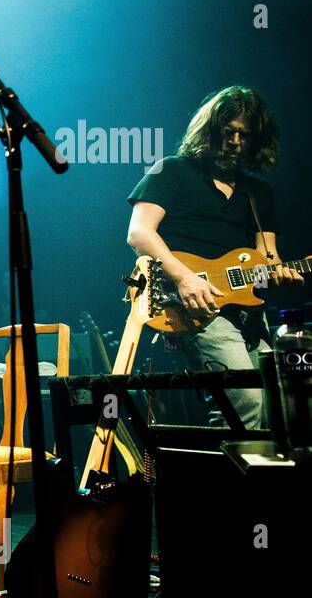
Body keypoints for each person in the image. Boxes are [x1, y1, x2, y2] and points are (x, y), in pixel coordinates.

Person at [127, 85, 302, 428]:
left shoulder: (258, 193)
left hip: (249, 312)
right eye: (228, 132)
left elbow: (268, 259)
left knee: (276, 410)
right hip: (192, 304)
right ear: (210, 130)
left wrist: (280, 273)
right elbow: (139, 233)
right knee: (245, 403)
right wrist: (184, 277)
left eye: (245, 136)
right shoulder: (172, 171)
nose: (236, 142)